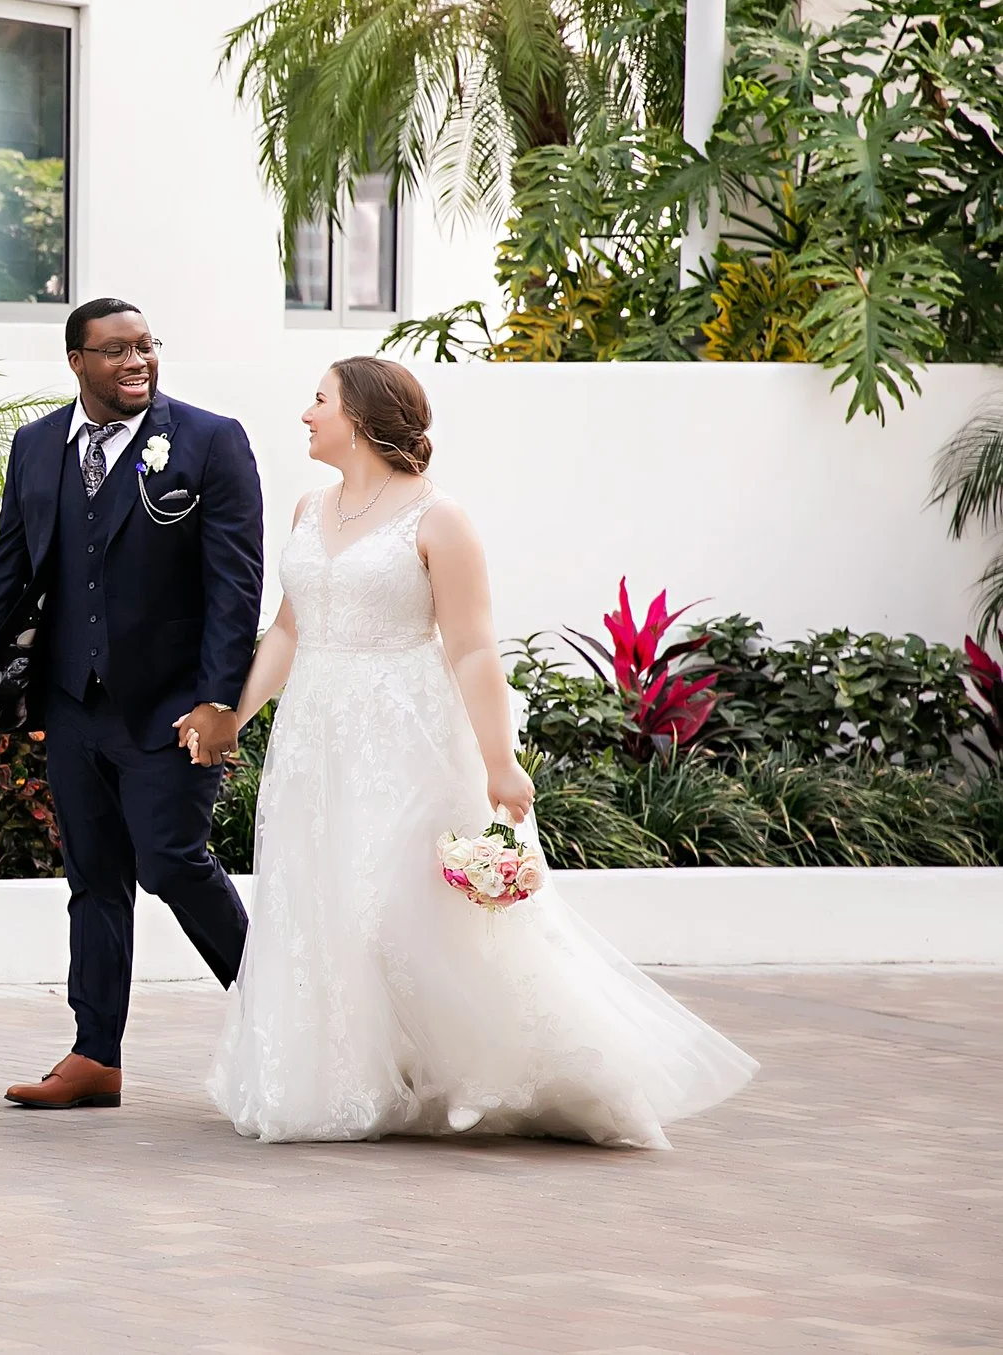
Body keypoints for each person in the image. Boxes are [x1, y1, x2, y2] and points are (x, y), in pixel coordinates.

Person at [203, 355, 755, 1147]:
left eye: (318, 400)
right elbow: (289, 629)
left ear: (358, 417)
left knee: (389, 907)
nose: (305, 414)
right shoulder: (305, 510)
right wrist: (236, 713)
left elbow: (470, 650)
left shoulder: (439, 519)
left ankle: (514, 1065)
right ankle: (349, 1077)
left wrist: (502, 762)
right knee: (317, 901)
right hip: (313, 736)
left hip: (405, 736)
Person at [0, 297, 264, 1110]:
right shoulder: (38, 445)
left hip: (172, 705)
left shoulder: (209, 441)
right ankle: (95, 1054)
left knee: (170, 860)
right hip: (74, 703)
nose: (137, 361)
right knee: (94, 876)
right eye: (116, 349)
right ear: (76, 360)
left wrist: (221, 701)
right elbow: (7, 572)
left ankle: (276, 1006)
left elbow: (236, 588)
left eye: (146, 345)